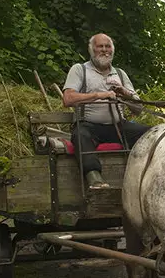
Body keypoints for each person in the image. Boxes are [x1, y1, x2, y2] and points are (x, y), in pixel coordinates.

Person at [61, 33, 149, 189]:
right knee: (80, 136)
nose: (104, 50)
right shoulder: (80, 69)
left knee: (150, 134)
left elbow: (138, 108)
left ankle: (146, 177)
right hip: (89, 126)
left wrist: (125, 93)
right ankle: (95, 180)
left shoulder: (120, 74)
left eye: (107, 46)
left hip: (117, 126)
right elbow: (68, 99)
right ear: (91, 50)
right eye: (99, 46)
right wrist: (98, 95)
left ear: (113, 50)